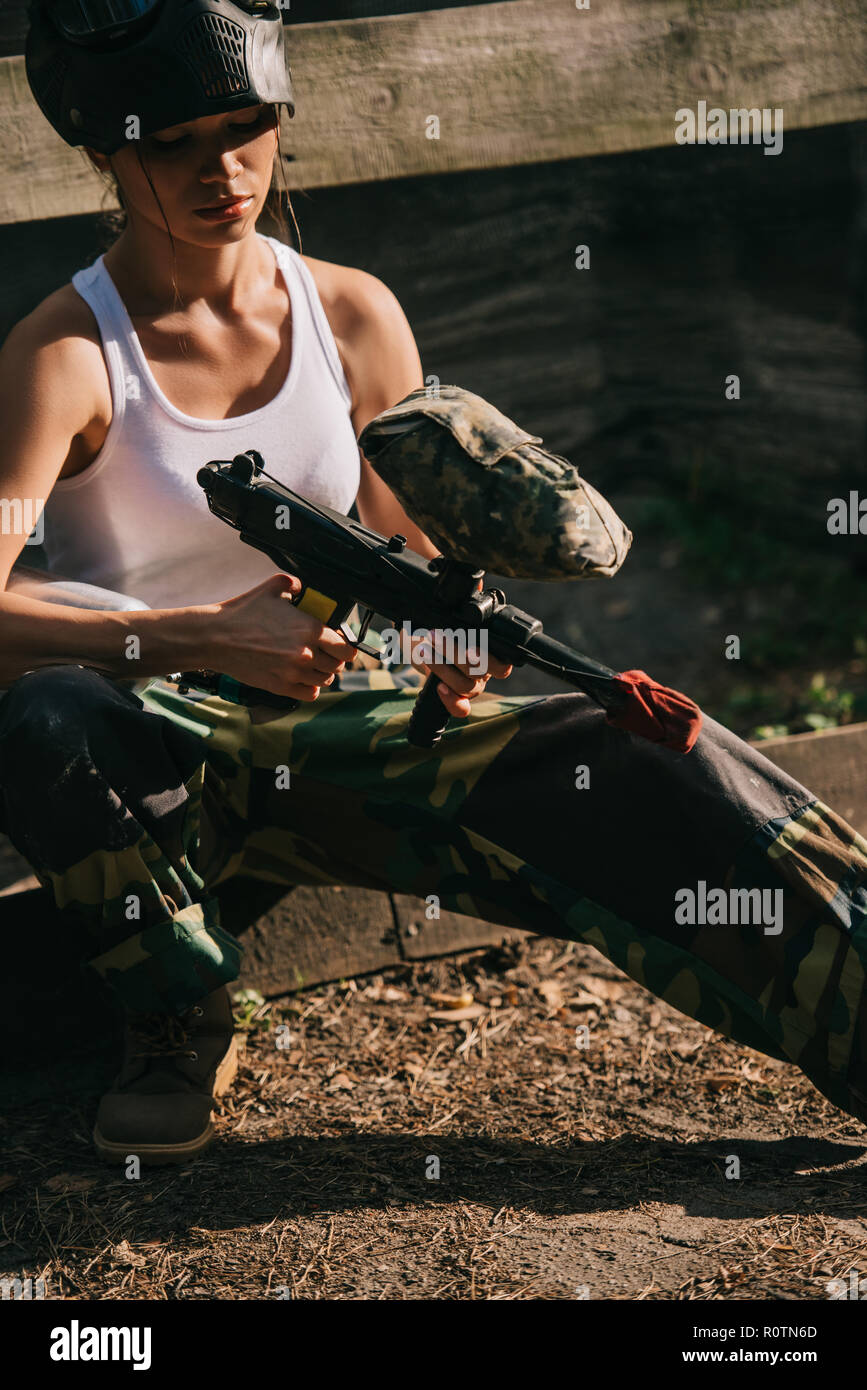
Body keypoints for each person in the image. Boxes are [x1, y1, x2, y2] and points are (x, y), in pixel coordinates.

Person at [1, 0, 865, 1166]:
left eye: (249, 125)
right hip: (158, 771)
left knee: (642, 756)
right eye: (175, 142)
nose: (225, 168)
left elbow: (411, 555)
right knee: (51, 715)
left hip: (351, 738)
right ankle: (176, 1012)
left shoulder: (349, 313)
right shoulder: (65, 354)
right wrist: (195, 635)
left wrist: (455, 652)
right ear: (105, 150)